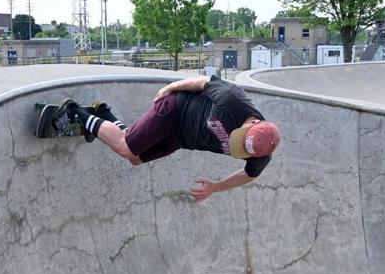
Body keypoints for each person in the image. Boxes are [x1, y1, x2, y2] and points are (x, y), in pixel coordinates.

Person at [42, 75, 281, 201]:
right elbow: (203, 82)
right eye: (238, 139)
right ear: (252, 124)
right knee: (126, 147)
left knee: (134, 159)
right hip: (174, 109)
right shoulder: (232, 100)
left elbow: (249, 175)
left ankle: (103, 114)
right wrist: (171, 88)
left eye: (240, 149)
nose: (234, 145)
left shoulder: (261, 154)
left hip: (180, 138)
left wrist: (215, 187)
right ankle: (73, 112)